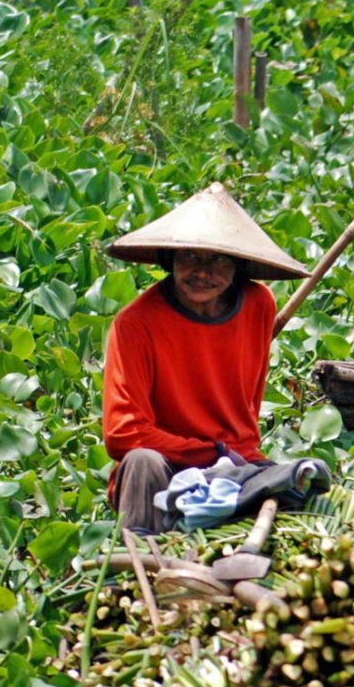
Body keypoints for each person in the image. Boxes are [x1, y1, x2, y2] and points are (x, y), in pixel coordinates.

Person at [102, 182, 310, 534]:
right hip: (167, 465)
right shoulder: (136, 324)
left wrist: (232, 459)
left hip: (237, 462)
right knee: (141, 460)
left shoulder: (259, 303)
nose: (201, 272)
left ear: (238, 264)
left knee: (307, 483)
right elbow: (123, 434)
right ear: (170, 258)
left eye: (218, 259)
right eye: (189, 256)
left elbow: (248, 405)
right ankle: (139, 554)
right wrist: (212, 452)